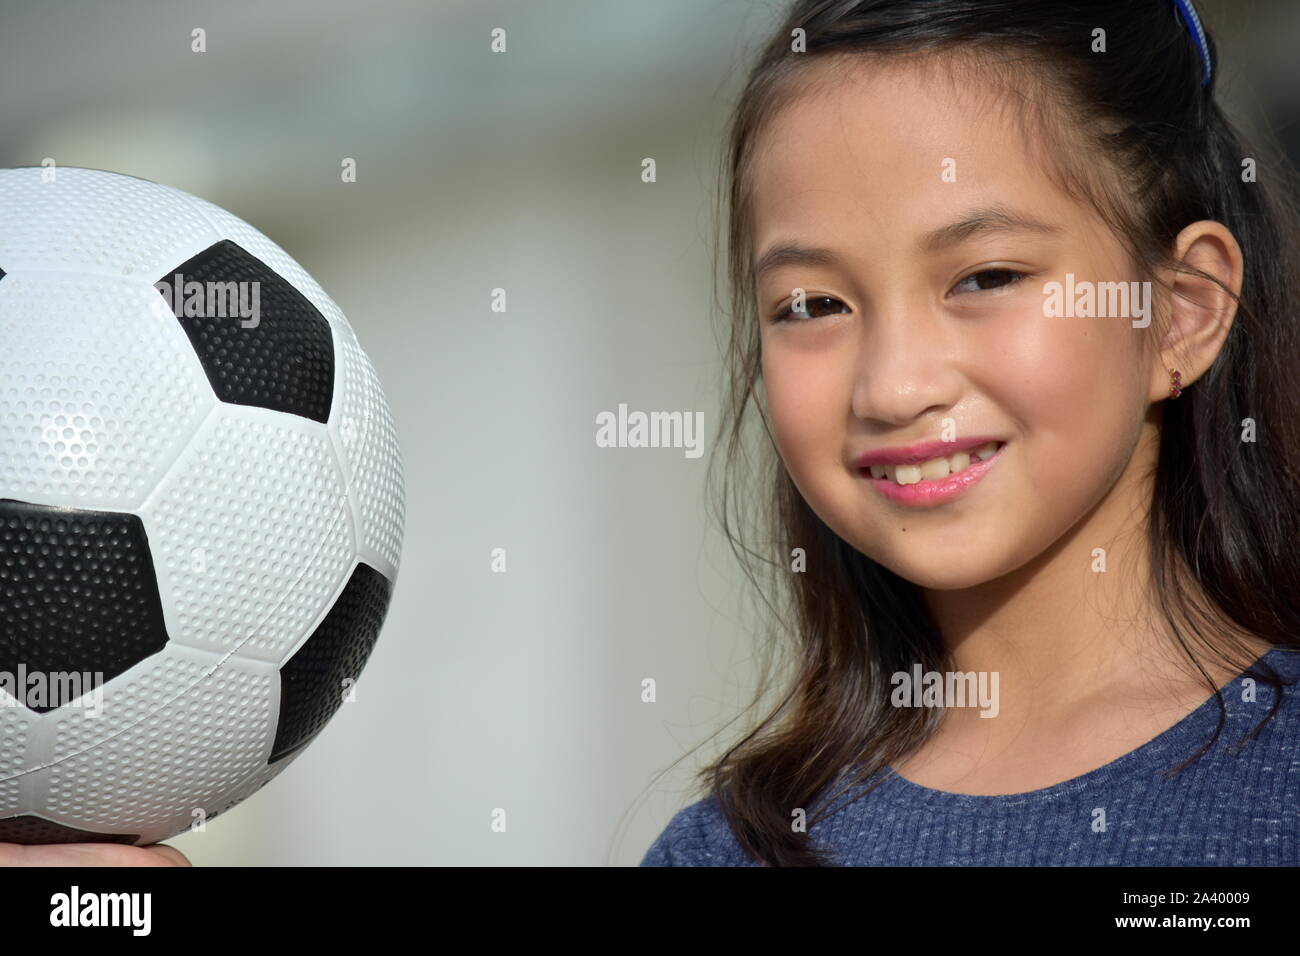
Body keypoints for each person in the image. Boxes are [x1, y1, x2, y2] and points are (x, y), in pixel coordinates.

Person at [642, 0, 1300, 866]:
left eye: (986, 276)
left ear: (1180, 312)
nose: (894, 384)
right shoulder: (729, 851)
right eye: (814, 305)